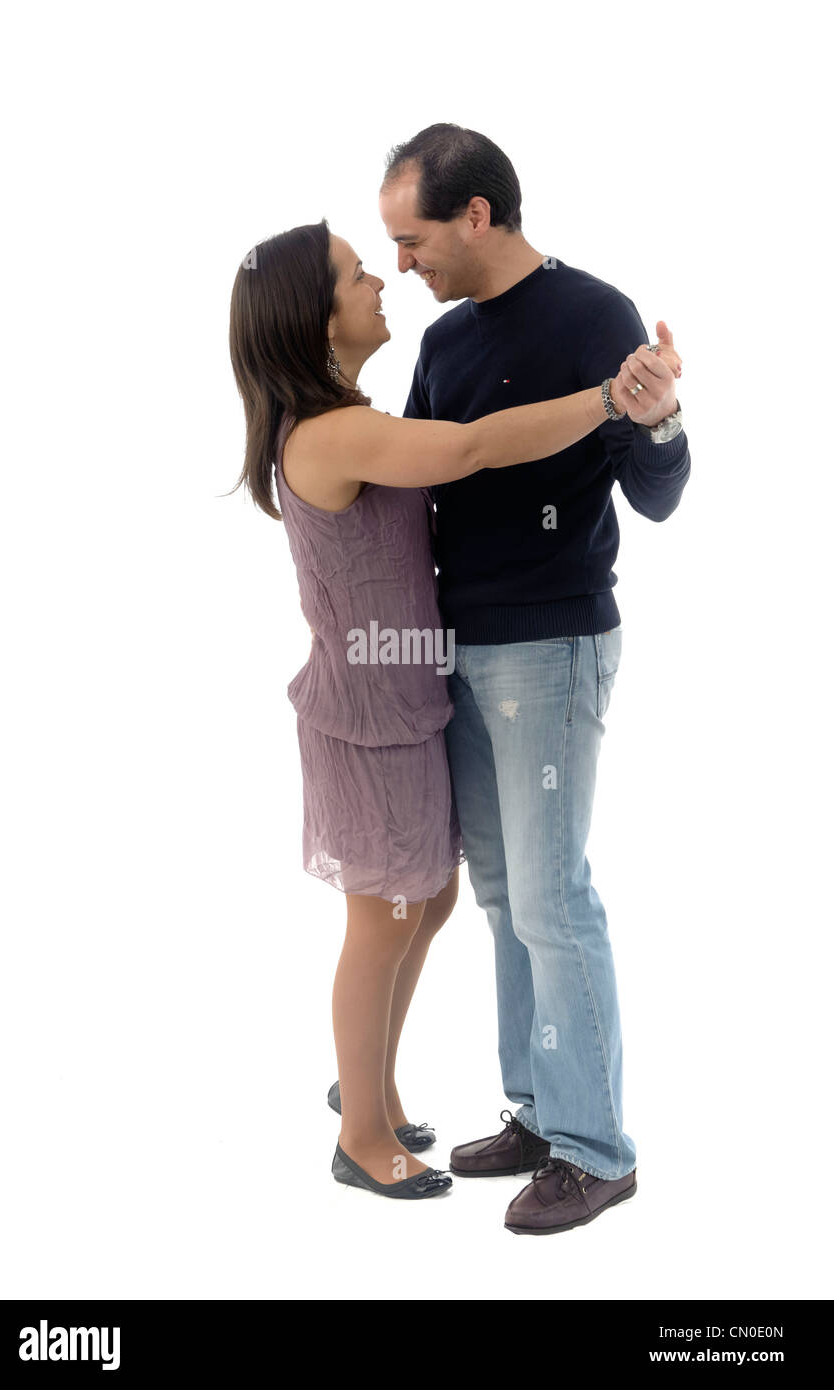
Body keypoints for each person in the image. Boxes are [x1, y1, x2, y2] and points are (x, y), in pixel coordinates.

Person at [228, 218, 681, 1204]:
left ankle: (393, 1101)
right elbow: (473, 447)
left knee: (429, 900)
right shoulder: (338, 430)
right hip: (372, 714)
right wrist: (607, 396)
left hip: (407, 698)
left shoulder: (346, 414)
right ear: (313, 317)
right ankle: (361, 1134)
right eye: (356, 274)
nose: (382, 281)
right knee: (389, 915)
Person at [378, 123, 691, 1234]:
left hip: (552, 648)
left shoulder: (594, 316)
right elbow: (420, 481)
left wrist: (656, 419)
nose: (401, 264)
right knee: (507, 898)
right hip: (462, 651)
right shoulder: (447, 342)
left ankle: (597, 1150)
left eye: (411, 241)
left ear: (476, 215)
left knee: (554, 900)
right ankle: (540, 1110)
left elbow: (657, 492)